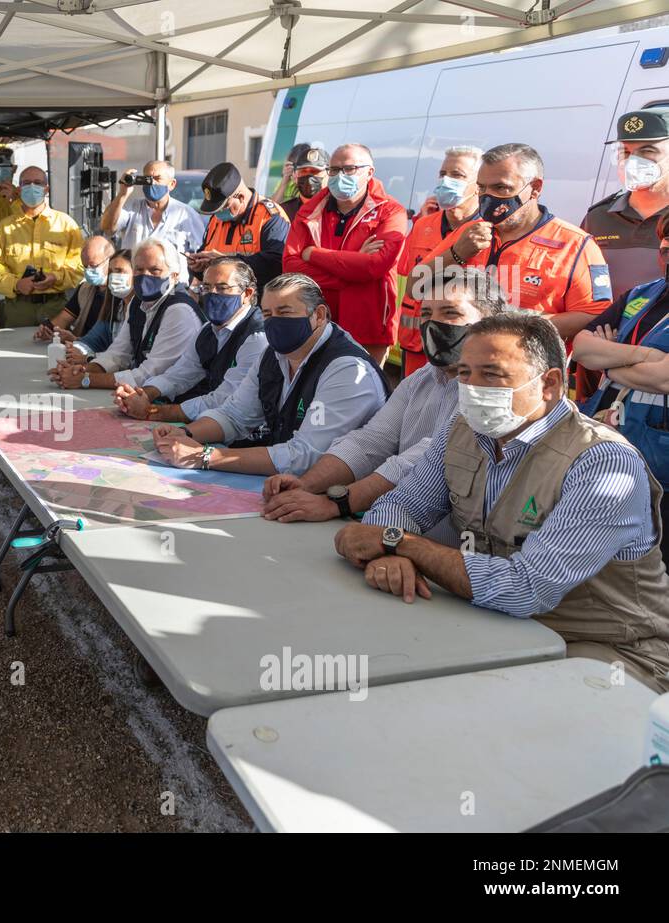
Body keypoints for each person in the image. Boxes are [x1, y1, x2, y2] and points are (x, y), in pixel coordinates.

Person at [336, 312, 669, 694]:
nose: (472, 388)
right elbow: (402, 506)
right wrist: (389, 551)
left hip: (607, 654)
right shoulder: (463, 429)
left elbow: (526, 588)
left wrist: (400, 544)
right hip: (493, 628)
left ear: (549, 384)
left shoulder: (601, 462)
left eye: (491, 375)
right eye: (465, 373)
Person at [262, 267, 506, 524]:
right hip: (400, 517)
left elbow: (423, 458)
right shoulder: (422, 378)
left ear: (490, 322)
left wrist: (333, 504)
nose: (433, 325)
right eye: (425, 314)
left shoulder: (493, 387)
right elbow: (370, 441)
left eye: (450, 313)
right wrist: (305, 484)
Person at [152, 272, 388, 476]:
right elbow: (235, 415)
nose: (274, 323)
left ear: (319, 315)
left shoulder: (346, 369)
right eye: (267, 314)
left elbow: (305, 456)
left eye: (284, 313)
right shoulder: (273, 355)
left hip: (345, 506)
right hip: (289, 488)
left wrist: (205, 457)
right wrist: (184, 434)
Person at [425, 143, 611, 342]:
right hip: (462, 363)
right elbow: (416, 286)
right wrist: (456, 253)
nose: (488, 197)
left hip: (529, 366)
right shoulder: (470, 232)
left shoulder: (575, 244)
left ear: (535, 188)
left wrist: (513, 325)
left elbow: (593, 315)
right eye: (482, 188)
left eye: (501, 188)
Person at [573, 210, 669, 555]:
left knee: (651, 559)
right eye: (665, 248)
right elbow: (583, 348)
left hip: (658, 460)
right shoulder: (642, 294)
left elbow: (664, 377)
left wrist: (612, 357)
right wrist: (643, 356)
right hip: (603, 441)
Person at [282, 143, 408, 366]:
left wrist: (314, 254)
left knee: (364, 394)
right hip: (317, 325)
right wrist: (351, 268)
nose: (340, 176)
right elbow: (291, 265)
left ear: (369, 172)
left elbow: (374, 266)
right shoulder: (309, 211)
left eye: (349, 169)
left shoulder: (390, 211)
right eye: (334, 169)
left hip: (367, 327)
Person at [115, 257, 267, 423]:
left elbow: (224, 399)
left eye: (222, 288)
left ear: (247, 294)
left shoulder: (257, 337)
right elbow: (180, 373)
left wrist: (150, 411)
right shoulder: (208, 330)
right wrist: (141, 394)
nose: (212, 294)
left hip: (245, 438)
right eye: (207, 287)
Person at [49, 237, 202, 390]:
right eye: (139, 269)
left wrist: (86, 380)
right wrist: (80, 371)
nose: (145, 276)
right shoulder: (137, 303)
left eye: (155, 270)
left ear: (174, 276)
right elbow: (118, 354)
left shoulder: (179, 311)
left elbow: (149, 374)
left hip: (182, 401)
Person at [394, 146, 483, 376]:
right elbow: (405, 269)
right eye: (443, 174)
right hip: (416, 343)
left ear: (478, 185)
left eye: (458, 175)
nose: (446, 181)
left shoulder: (484, 232)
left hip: (458, 345)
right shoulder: (424, 224)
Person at [583, 108, 669, 300]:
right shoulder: (598, 217)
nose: (633, 162)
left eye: (647, 151)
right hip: (604, 328)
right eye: (626, 152)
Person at [0, 166, 84, 328]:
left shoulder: (66, 225)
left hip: (56, 307)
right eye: (26, 183)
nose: (32, 187)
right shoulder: (5, 228)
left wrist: (55, 277)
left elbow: (78, 267)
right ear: (19, 189)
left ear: (46, 189)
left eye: (37, 183)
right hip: (18, 308)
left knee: (56, 351)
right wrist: (16, 284)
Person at [187, 162, 288, 292]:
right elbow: (207, 255)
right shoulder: (216, 220)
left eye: (223, 207)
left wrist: (227, 261)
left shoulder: (269, 216)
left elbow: (275, 264)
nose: (218, 213)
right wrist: (197, 267)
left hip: (257, 301)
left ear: (240, 197)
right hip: (217, 297)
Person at [101, 159, 207, 256]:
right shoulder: (131, 209)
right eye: (147, 178)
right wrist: (122, 194)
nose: (152, 183)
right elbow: (107, 228)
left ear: (172, 184)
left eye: (157, 178)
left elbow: (199, 253)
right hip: (135, 275)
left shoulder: (185, 215)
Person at [34, 234, 116, 343]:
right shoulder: (85, 289)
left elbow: (115, 343)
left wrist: (76, 340)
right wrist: (47, 329)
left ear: (110, 261)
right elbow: (64, 318)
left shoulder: (120, 293)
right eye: (85, 266)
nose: (89, 271)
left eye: (93, 265)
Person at [68, 248, 135, 359]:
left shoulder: (143, 311)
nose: (113, 276)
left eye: (119, 271)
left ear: (136, 273)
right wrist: (75, 349)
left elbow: (127, 357)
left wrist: (88, 358)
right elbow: (92, 340)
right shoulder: (114, 308)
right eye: (111, 272)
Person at [280, 145, 328, 223]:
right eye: (303, 171)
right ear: (295, 176)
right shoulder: (284, 212)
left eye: (315, 171)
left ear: (329, 175)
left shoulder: (341, 210)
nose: (309, 177)